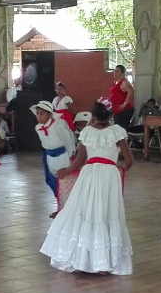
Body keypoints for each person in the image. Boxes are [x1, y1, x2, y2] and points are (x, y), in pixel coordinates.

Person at [41, 98, 133, 275]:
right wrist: (122, 169)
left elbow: (80, 160)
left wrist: (66, 170)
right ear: (112, 115)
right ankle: (103, 263)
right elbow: (129, 160)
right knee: (105, 213)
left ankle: (80, 258)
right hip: (108, 175)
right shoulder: (118, 132)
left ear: (94, 115)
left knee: (85, 211)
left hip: (89, 174)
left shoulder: (87, 132)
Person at [33, 100, 78, 217]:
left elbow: (68, 140)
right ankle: (60, 207)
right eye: (37, 113)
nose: (39, 116)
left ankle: (68, 209)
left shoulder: (59, 125)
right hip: (49, 157)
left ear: (49, 114)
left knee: (64, 182)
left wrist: (70, 155)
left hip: (62, 157)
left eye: (42, 114)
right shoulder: (38, 128)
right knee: (54, 183)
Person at [109, 65, 134, 129]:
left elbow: (131, 90)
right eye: (114, 71)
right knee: (118, 129)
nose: (115, 72)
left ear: (122, 73)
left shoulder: (124, 82)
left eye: (117, 71)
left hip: (124, 110)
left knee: (121, 130)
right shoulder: (116, 82)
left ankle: (130, 139)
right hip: (117, 111)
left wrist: (124, 104)